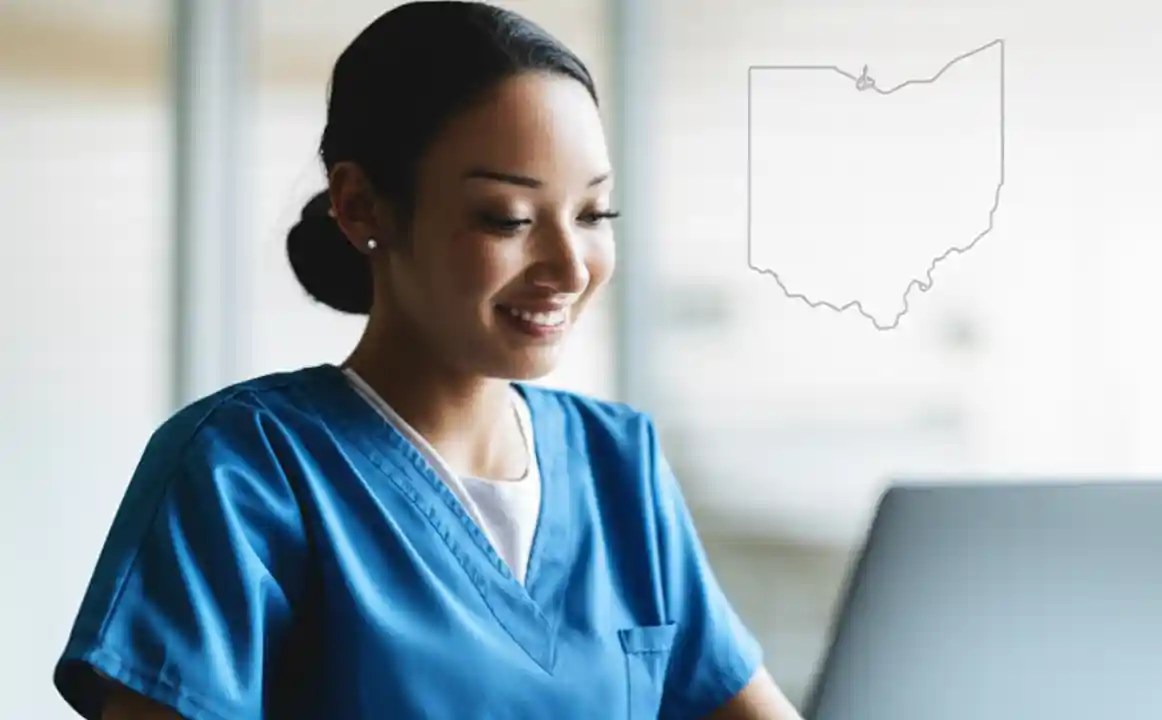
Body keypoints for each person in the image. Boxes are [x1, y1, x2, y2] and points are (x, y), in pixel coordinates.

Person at [52, 3, 803, 718]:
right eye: (506, 218)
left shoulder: (618, 466)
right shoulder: (245, 471)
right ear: (361, 207)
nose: (571, 267)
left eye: (592, 214)